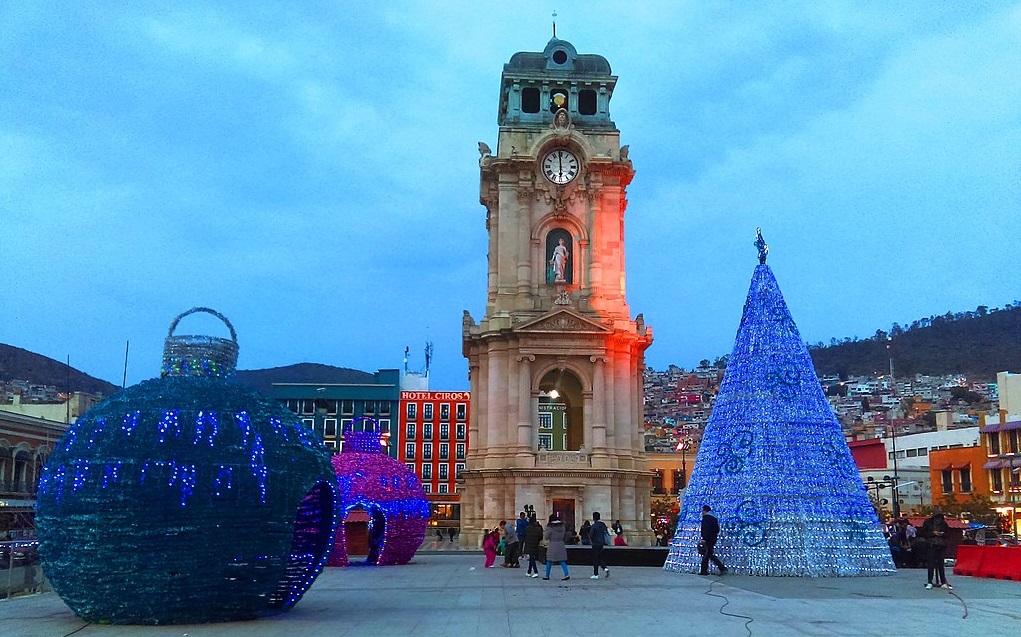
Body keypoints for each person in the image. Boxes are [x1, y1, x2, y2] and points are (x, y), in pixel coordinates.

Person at [921, 512, 952, 590]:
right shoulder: (928, 523)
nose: (938, 520)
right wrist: (932, 533)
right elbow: (922, 533)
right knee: (931, 564)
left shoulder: (944, 524)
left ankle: (943, 582)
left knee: (941, 565)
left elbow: (948, 534)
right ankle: (930, 581)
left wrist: (942, 534)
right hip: (931, 545)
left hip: (941, 545)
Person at [700, 505, 727, 575]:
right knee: (709, 554)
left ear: (705, 510)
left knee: (706, 554)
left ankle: (704, 571)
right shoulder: (714, 518)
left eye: (702, 510)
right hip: (713, 538)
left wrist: (704, 538)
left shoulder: (706, 518)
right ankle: (721, 568)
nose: (701, 512)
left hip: (707, 539)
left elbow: (705, 529)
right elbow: (717, 530)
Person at [543, 513, 570, 581]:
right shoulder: (562, 526)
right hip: (561, 544)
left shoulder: (550, 527)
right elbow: (564, 535)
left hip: (552, 545)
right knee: (562, 561)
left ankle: (547, 575)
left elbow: (546, 537)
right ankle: (566, 574)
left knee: (549, 561)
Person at [589, 512, 610, 580]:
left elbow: (591, 535)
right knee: (600, 557)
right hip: (601, 543)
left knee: (595, 558)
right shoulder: (603, 525)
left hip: (595, 543)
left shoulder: (594, 526)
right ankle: (605, 568)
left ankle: (596, 574)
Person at [522, 514, 544, 578]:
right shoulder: (538, 528)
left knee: (532, 558)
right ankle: (528, 571)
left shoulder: (527, 528)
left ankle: (535, 571)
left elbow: (524, 535)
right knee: (532, 557)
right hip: (536, 544)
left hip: (529, 544)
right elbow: (541, 537)